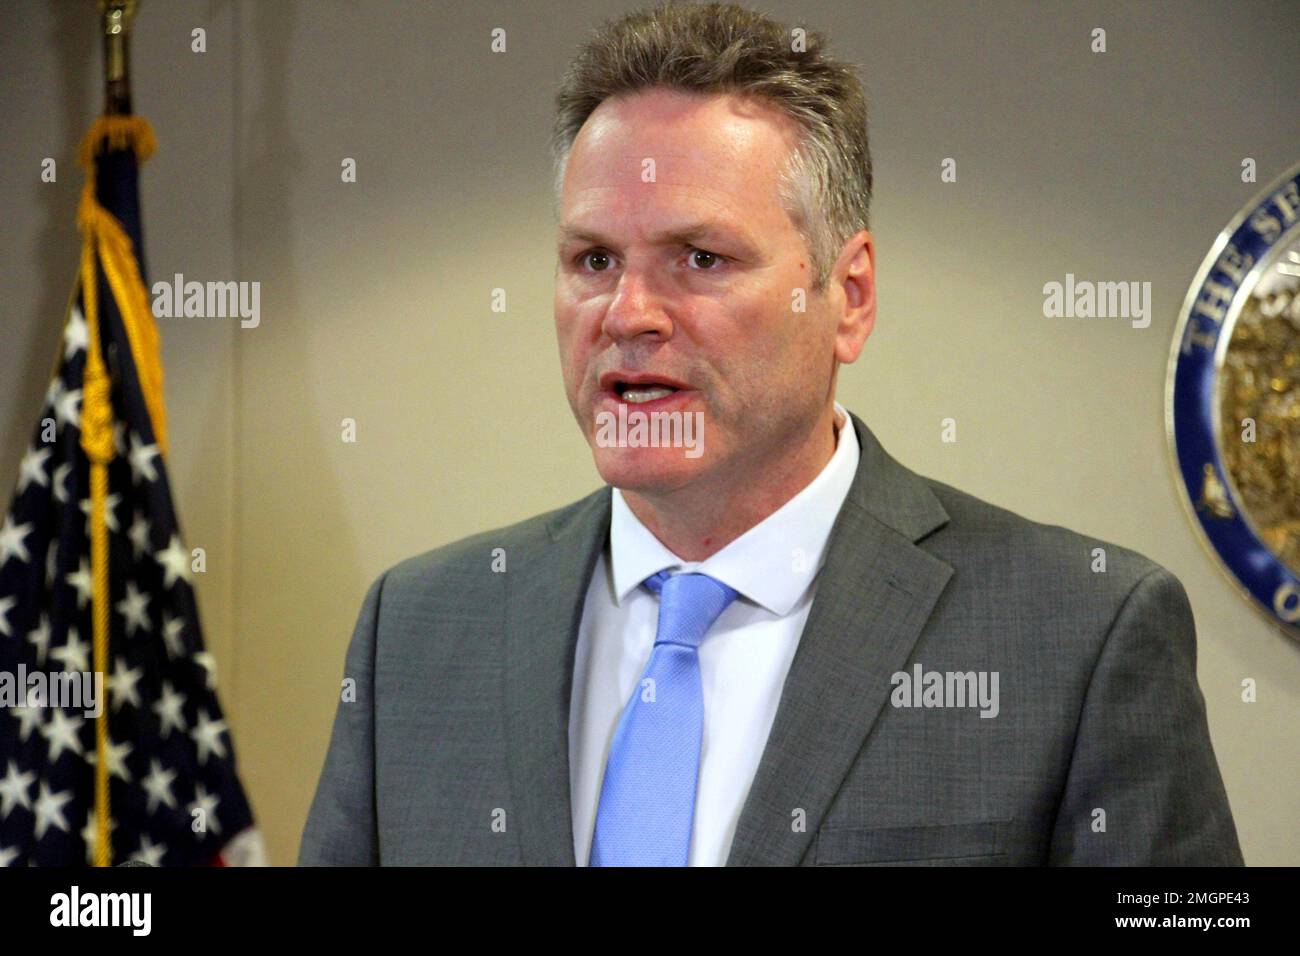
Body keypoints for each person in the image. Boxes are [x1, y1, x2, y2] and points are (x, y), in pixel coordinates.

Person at [299, 1, 1242, 866]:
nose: (629, 312)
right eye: (593, 259)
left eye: (699, 258)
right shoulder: (418, 633)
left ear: (850, 296)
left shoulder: (1081, 636)